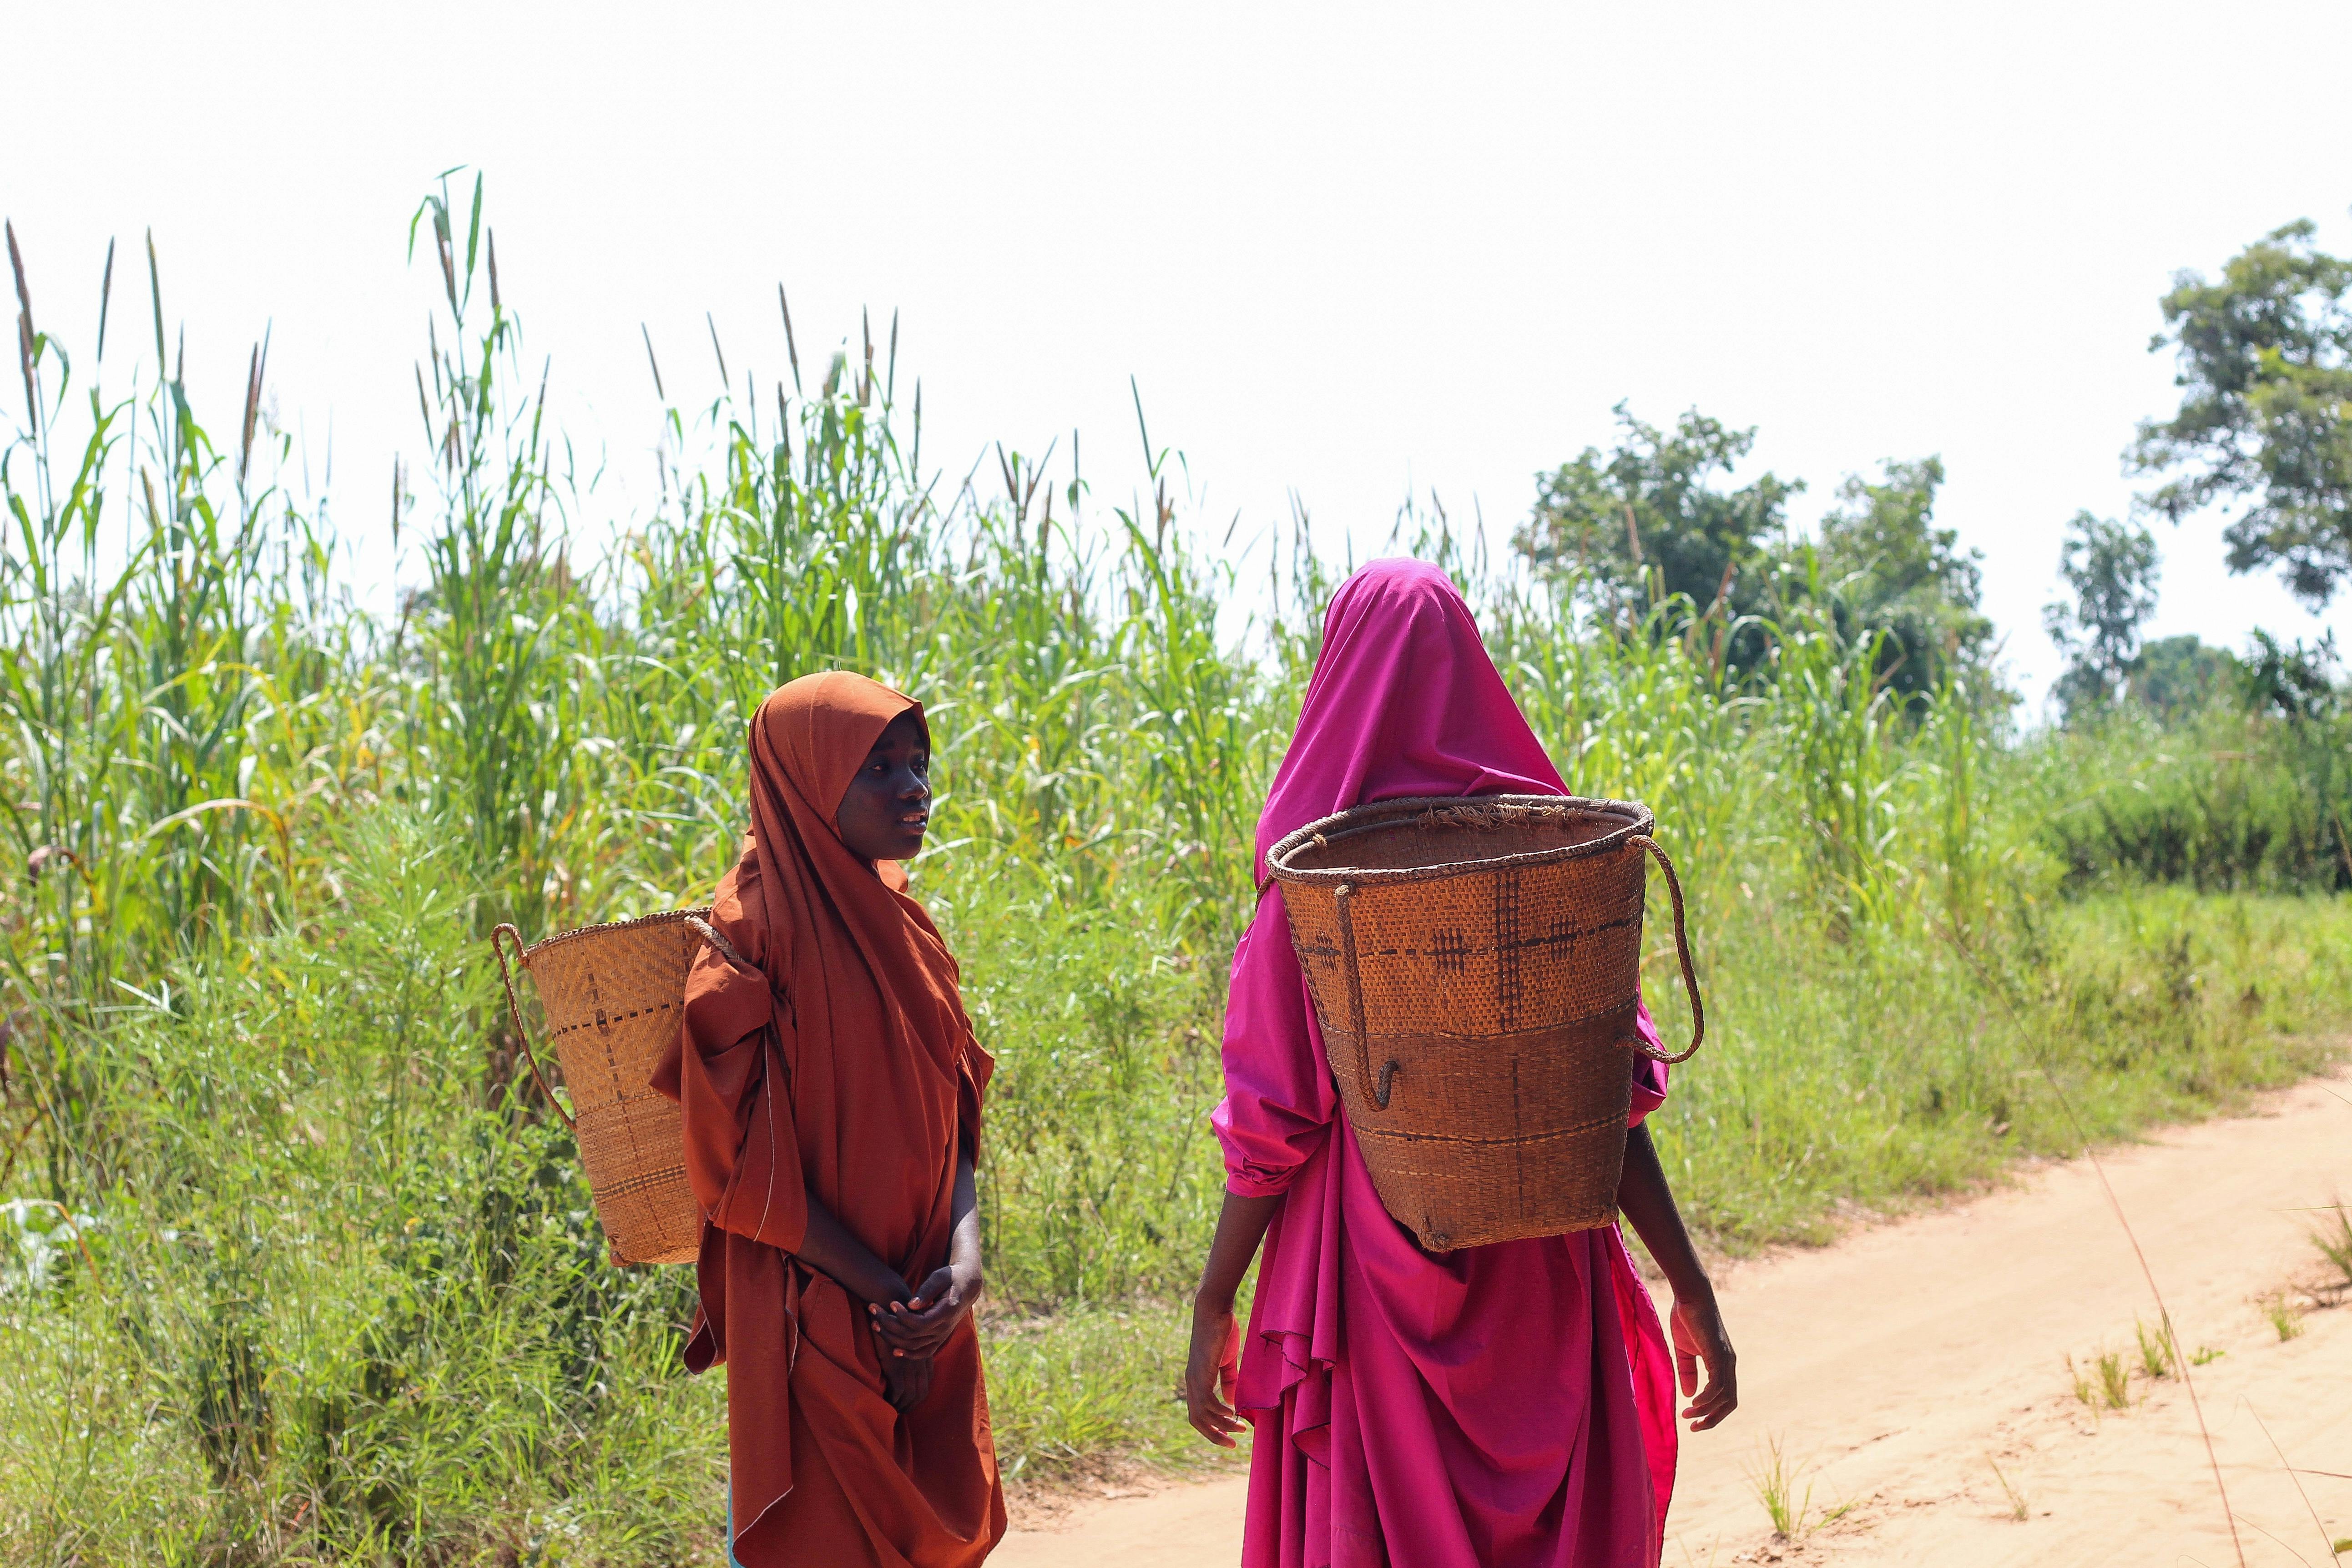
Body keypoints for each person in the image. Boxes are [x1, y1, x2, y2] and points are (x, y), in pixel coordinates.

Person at [1182, 560, 1736, 1568]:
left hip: (1367, 1274)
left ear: (1337, 680)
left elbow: (1268, 1126)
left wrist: (1213, 1299)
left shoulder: (1312, 891)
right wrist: (1688, 1282)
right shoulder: (1553, 870)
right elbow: (1608, 1094)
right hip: (1540, 1266)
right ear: (1467, 666)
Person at [654, 670, 1006, 1568]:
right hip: (817, 1322)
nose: (913, 786)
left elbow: (953, 1111)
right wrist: (886, 1295)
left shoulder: (905, 928)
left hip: (924, 1310)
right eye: (877, 765)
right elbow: (735, 1171)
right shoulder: (747, 942)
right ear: (806, 782)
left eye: (918, 761)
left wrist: (961, 1267)